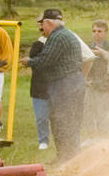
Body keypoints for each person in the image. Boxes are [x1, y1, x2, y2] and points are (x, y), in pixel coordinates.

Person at [20, 9, 84, 161]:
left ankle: (66, 157)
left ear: (48, 22)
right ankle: (72, 156)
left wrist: (29, 62)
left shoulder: (56, 37)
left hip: (64, 84)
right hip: (75, 82)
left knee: (61, 122)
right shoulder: (68, 35)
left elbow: (45, 60)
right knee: (71, 122)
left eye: (42, 23)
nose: (42, 27)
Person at [83, 19, 109, 139]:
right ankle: (91, 138)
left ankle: (105, 139)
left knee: (103, 113)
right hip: (89, 84)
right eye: (94, 31)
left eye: (100, 31)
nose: (96, 33)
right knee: (88, 112)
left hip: (104, 85)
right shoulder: (88, 46)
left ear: (105, 33)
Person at [26, 17, 50, 150]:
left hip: (55, 85)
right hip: (39, 86)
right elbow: (35, 64)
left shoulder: (57, 43)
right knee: (41, 117)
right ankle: (43, 140)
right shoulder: (37, 45)